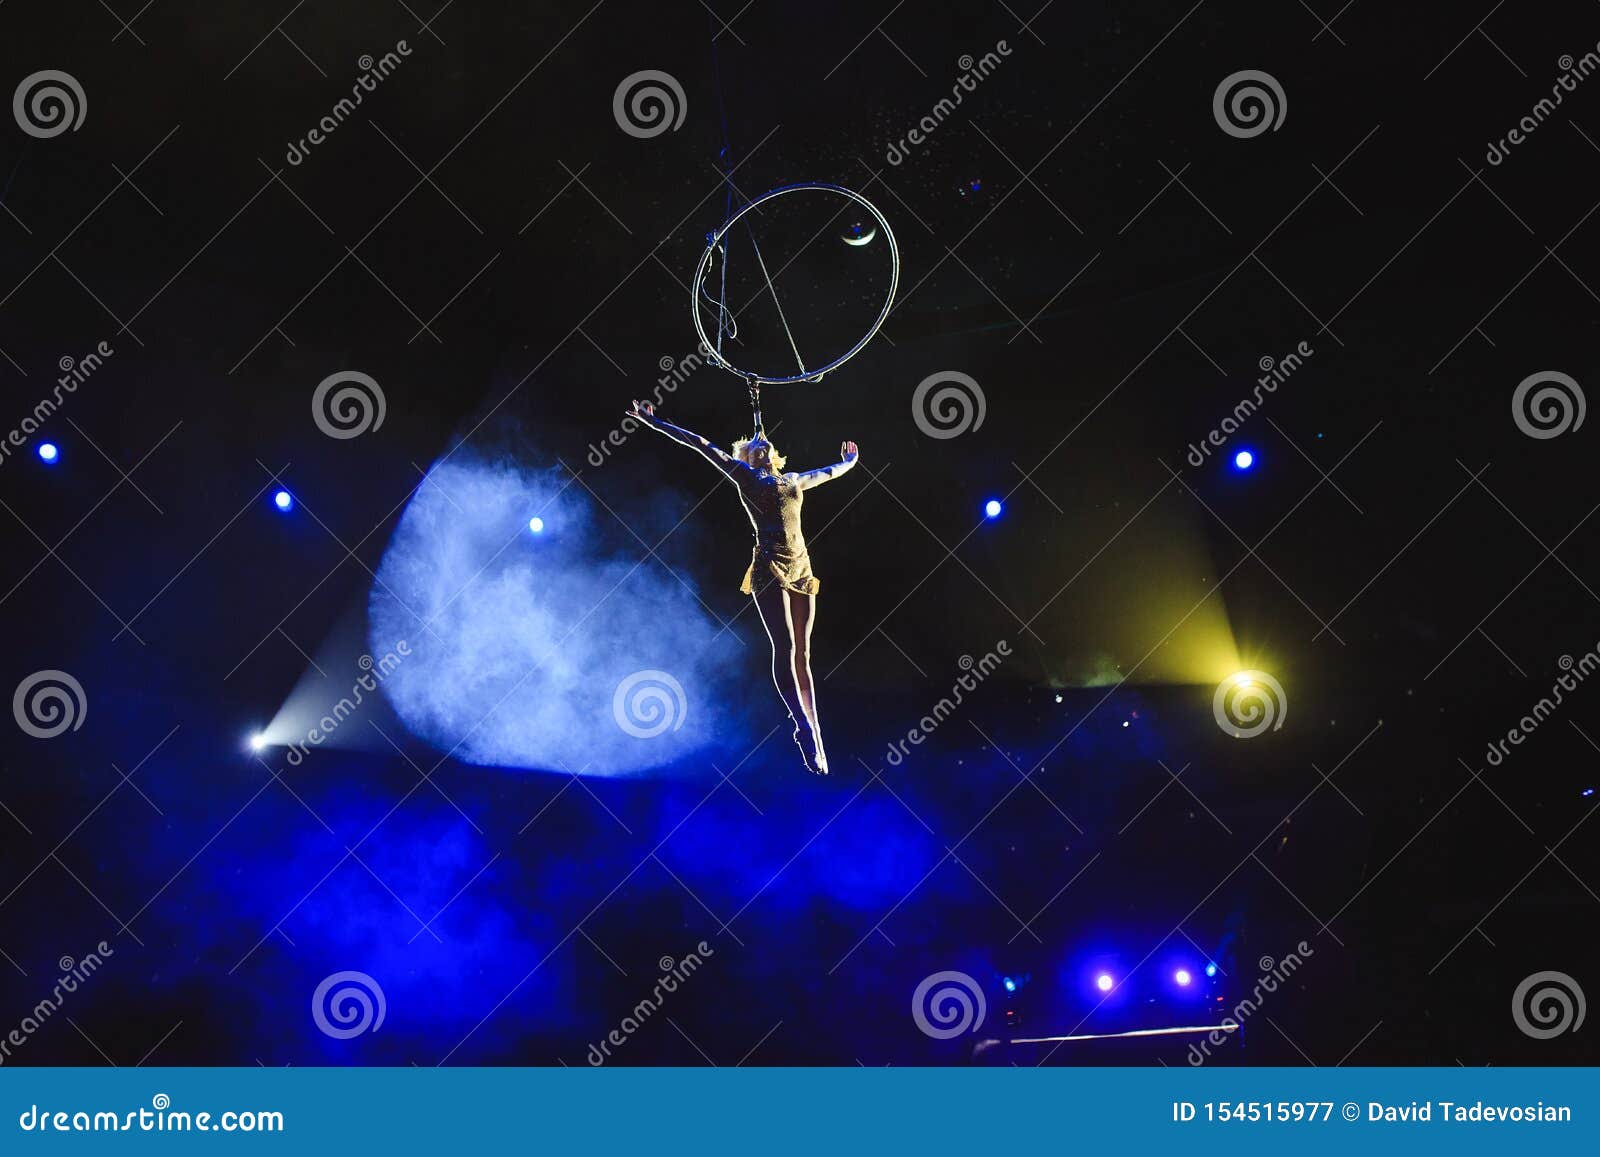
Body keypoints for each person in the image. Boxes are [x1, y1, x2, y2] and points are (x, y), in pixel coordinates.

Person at [629, 399, 858, 774]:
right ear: (747, 456)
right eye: (752, 444)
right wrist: (654, 423)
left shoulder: (793, 479)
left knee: (804, 654)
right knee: (783, 646)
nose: (759, 442)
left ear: (774, 453)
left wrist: (848, 463)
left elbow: (829, 472)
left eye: (763, 440)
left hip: (801, 565)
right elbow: (700, 444)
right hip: (769, 565)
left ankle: (815, 733)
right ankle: (800, 724)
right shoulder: (744, 476)